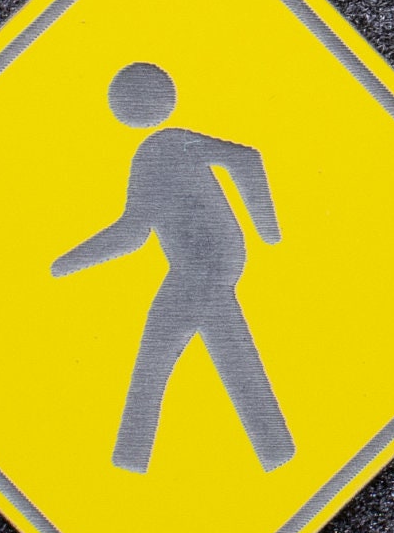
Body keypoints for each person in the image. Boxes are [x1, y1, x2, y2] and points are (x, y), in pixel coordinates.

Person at [51, 61, 294, 474]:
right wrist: (68, 262)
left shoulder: (167, 144)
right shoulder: (156, 152)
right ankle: (275, 452)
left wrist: (268, 229)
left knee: (159, 362)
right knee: (220, 355)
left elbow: (247, 159)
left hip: (204, 268)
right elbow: (134, 232)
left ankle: (131, 461)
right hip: (206, 267)